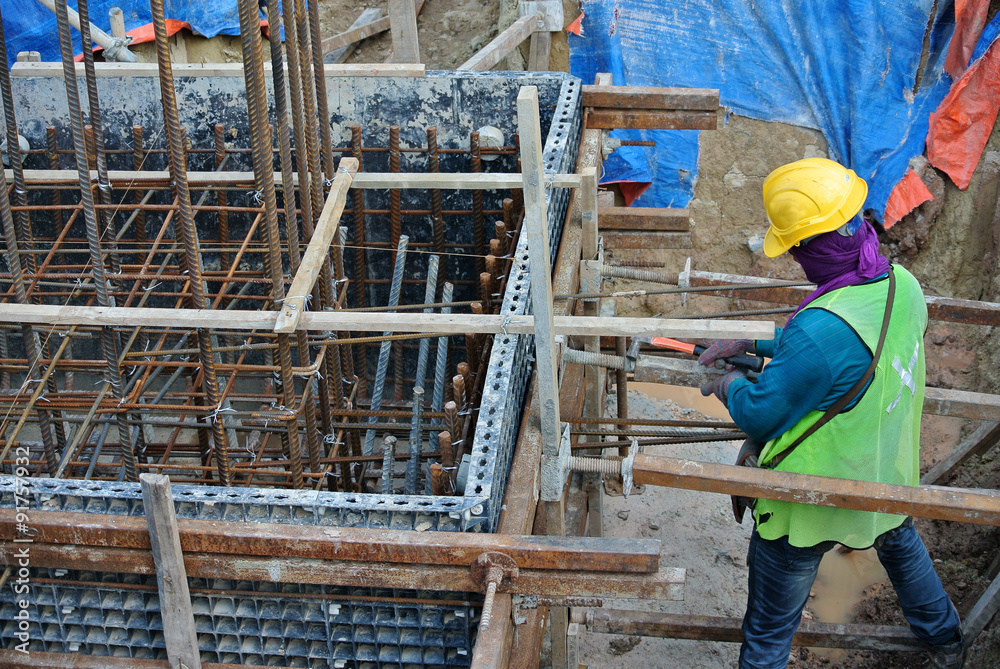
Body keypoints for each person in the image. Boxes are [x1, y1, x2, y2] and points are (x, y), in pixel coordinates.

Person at [697, 158, 964, 669]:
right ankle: (947, 642)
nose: (797, 259)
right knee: (900, 543)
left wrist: (728, 383)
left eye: (796, 248)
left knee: (769, 633)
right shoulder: (901, 285)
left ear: (808, 247)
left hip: (810, 498)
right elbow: (847, 352)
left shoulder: (819, 329)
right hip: (884, 474)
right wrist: (759, 343)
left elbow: (760, 414)